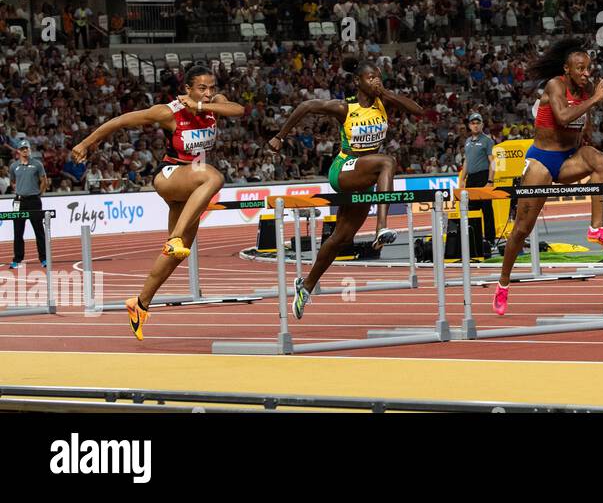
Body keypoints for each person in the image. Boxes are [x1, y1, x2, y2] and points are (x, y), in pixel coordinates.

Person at [71, 65, 247, 340]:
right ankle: (175, 237)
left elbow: (238, 110)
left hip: (192, 184)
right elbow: (120, 121)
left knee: (177, 254)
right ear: (186, 89)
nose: (209, 92)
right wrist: (85, 144)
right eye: (202, 88)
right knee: (214, 177)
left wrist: (202, 104)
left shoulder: (215, 104)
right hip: (170, 176)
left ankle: (139, 303)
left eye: (212, 87)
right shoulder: (168, 113)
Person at [270, 60, 424, 320]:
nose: (376, 82)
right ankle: (381, 228)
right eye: (371, 78)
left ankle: (305, 286)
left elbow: (418, 111)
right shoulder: (345, 108)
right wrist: (280, 136)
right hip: (343, 169)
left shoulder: (383, 103)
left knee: (340, 239)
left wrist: (384, 93)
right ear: (358, 82)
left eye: (378, 78)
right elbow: (306, 106)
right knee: (387, 161)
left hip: (364, 175)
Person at [493, 38, 603, 316]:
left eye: (588, 68)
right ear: (567, 69)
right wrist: (595, 98)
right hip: (542, 161)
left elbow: (581, 126)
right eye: (581, 69)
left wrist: (588, 122)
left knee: (599, 160)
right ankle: (503, 283)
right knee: (522, 229)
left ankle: (596, 228)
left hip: (567, 159)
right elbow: (561, 117)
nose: (586, 73)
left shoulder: (584, 92)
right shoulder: (555, 85)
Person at [458, 112, 497, 257]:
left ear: (482, 125)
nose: (475, 125)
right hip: (471, 179)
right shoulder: (467, 142)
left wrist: (490, 181)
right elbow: (467, 162)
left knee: (487, 210)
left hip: (483, 176)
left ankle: (490, 240)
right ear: (469, 126)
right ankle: (475, 239)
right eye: (472, 123)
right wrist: (462, 179)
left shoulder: (487, 141)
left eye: (477, 123)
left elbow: (492, 161)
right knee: (472, 210)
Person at [5, 139, 49, 268]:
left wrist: (38, 194)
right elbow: (13, 181)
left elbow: (44, 181)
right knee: (18, 232)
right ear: (18, 151)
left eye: (27, 148)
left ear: (29, 149)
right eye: (22, 149)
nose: (25, 150)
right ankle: (17, 260)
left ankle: (44, 259)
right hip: (19, 201)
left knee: (39, 231)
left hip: (34, 201)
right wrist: (20, 191)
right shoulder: (13, 166)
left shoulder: (37, 164)